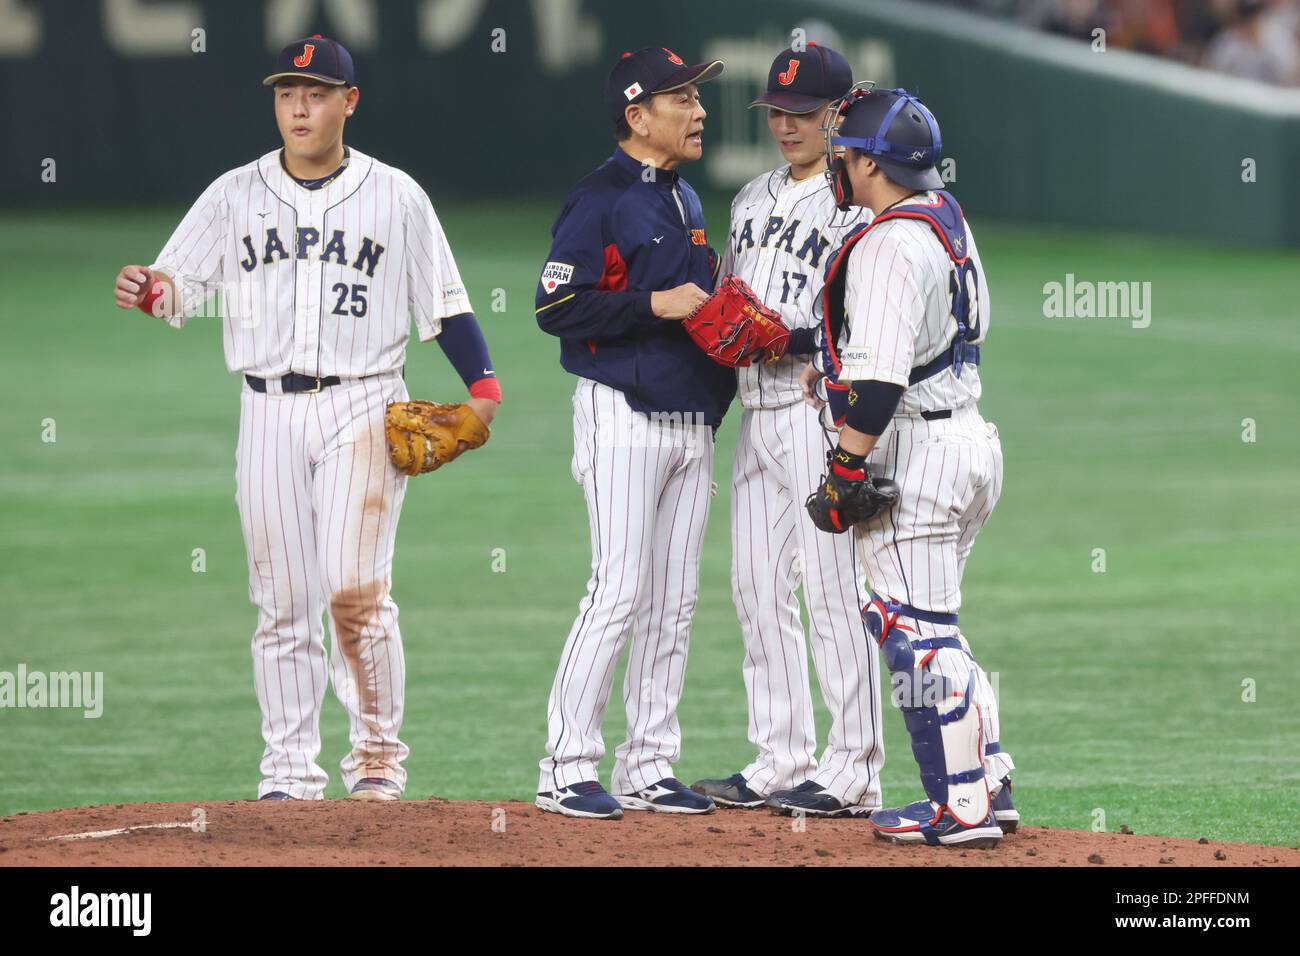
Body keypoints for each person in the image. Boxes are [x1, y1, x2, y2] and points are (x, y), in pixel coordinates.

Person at [112, 35, 500, 801]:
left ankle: (378, 759)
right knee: (282, 600)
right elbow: (179, 285)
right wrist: (147, 288)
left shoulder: (397, 195)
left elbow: (447, 306)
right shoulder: (233, 194)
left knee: (355, 592)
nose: (299, 105)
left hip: (364, 404)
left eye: (317, 92)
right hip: (266, 412)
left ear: (348, 102)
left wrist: (482, 388)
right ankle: (288, 773)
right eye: (288, 92)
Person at [803, 84, 1018, 846]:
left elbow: (884, 382)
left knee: (911, 628)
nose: (836, 161)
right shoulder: (943, 216)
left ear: (868, 163)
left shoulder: (888, 243)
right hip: (971, 443)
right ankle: (988, 774)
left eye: (844, 151)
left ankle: (958, 805)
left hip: (921, 452)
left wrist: (844, 469)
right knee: (938, 622)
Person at [533, 46, 734, 819]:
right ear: (637, 115)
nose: (699, 111)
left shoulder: (684, 199)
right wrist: (653, 307)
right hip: (620, 414)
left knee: (673, 600)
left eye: (697, 96)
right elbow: (554, 307)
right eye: (681, 98)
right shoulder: (599, 200)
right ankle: (565, 766)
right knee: (616, 589)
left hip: (692, 422)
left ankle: (649, 764)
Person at [689, 44, 884, 818]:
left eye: (803, 114)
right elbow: (726, 308)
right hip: (756, 417)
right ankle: (779, 757)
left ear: (841, 113)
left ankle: (856, 767)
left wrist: (793, 340)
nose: (787, 125)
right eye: (777, 112)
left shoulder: (860, 205)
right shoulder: (749, 199)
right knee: (756, 588)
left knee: (836, 592)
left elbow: (867, 321)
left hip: (820, 412)